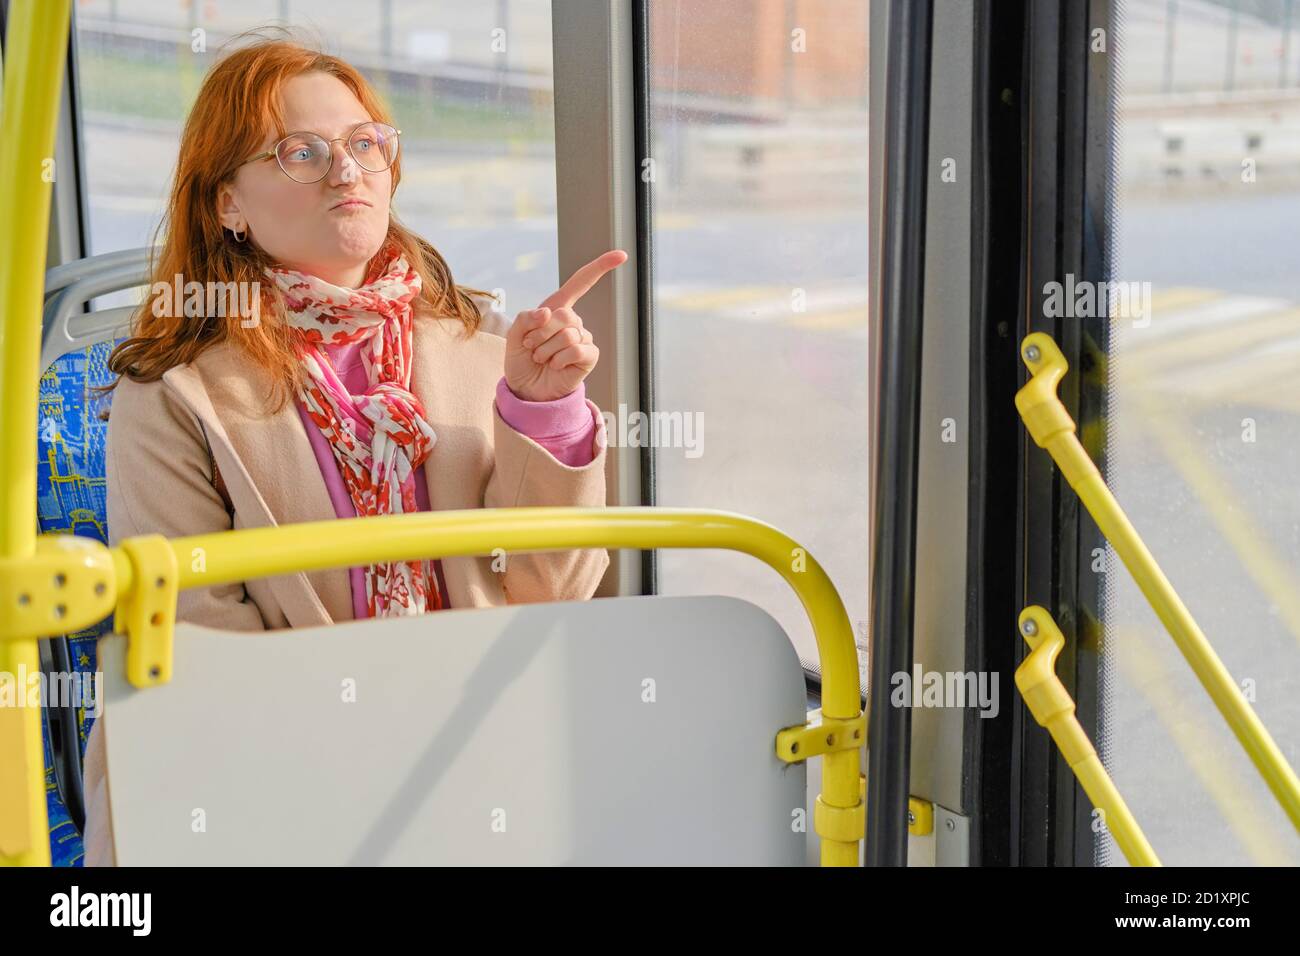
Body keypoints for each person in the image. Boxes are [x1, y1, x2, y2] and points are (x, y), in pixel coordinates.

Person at [80, 34, 625, 865]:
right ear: (228, 203)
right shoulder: (174, 394)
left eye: (365, 144)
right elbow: (200, 646)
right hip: (265, 785)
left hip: (477, 761)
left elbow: (549, 591)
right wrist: (373, 744)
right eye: (302, 152)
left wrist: (542, 409)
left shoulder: (483, 350)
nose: (348, 172)